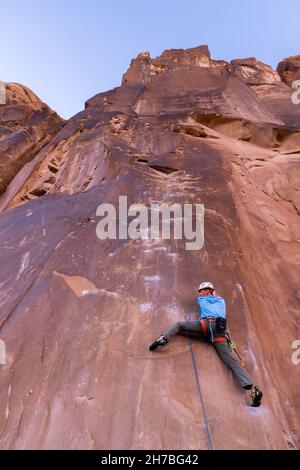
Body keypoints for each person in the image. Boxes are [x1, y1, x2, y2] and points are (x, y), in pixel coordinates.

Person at [149, 281, 263, 407]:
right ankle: (253, 391)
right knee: (231, 362)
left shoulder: (202, 300)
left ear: (208, 291)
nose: (201, 293)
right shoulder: (221, 301)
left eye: (202, 291)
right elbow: (221, 316)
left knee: (179, 325)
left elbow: (197, 300)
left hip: (206, 325)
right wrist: (230, 341)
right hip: (220, 332)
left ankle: (163, 338)